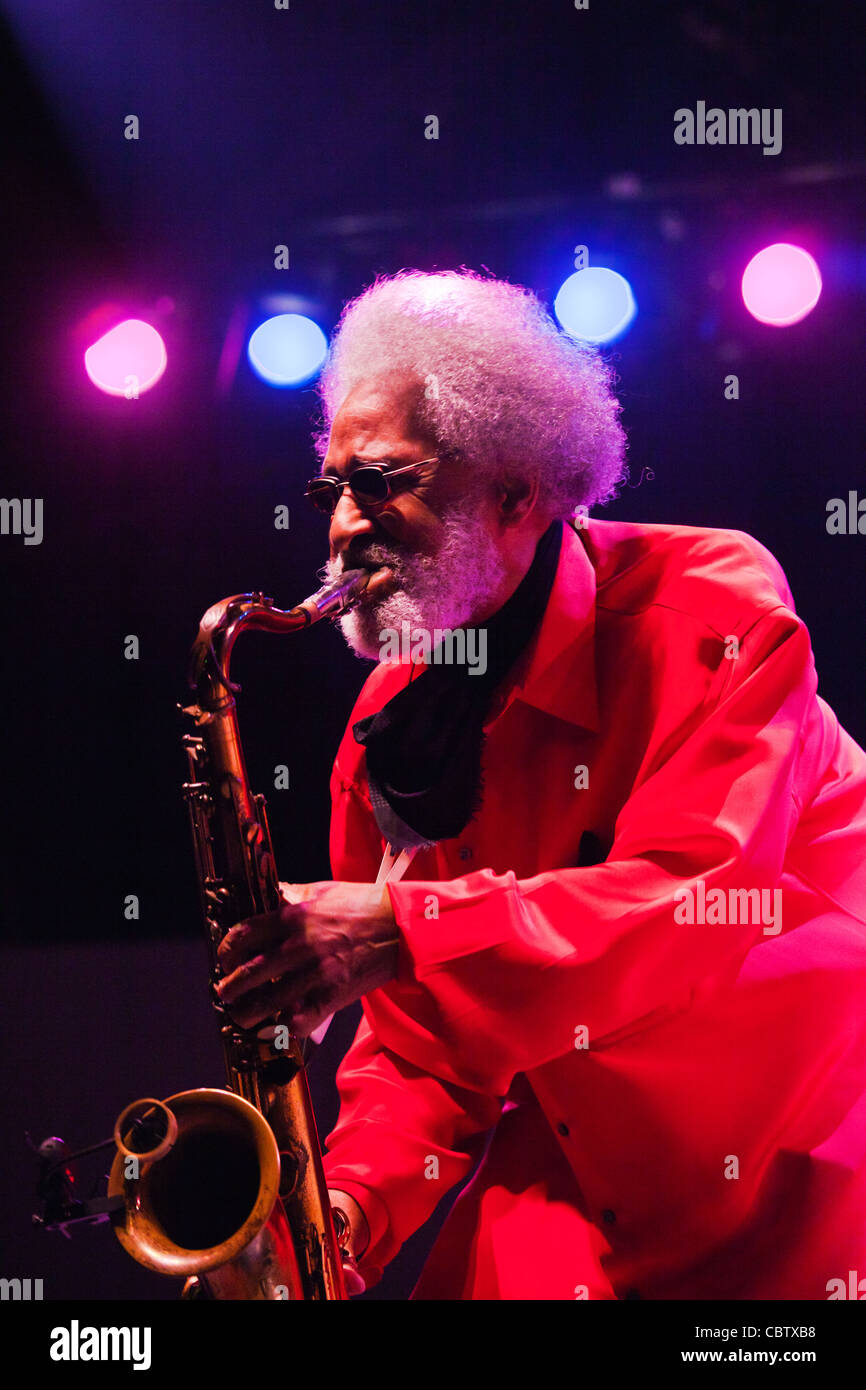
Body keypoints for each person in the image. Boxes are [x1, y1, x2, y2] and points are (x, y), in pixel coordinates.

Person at [216, 269, 866, 1300]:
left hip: (813, 1166)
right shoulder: (387, 731)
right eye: (330, 487)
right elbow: (423, 1053)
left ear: (516, 491)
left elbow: (696, 902)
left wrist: (398, 928)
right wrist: (339, 1217)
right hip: (581, 1182)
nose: (341, 524)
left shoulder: (706, 608)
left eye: (380, 480)